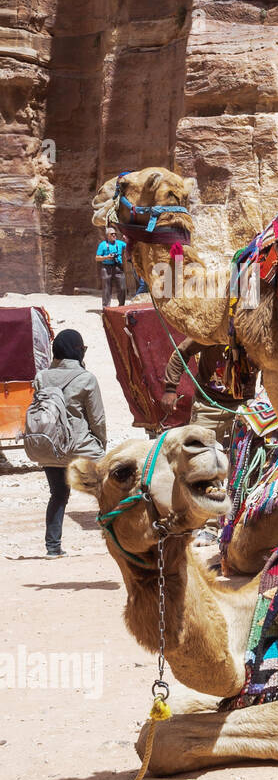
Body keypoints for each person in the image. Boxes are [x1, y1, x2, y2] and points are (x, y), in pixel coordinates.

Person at [37, 330, 106, 557]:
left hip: (50, 446)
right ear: (77, 350)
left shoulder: (42, 378)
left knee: (58, 494)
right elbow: (97, 418)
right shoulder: (86, 378)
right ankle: (119, 539)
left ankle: (53, 548)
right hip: (80, 447)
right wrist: (100, 446)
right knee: (109, 490)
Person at [162, 339, 251, 449]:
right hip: (208, 405)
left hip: (245, 404)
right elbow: (182, 351)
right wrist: (170, 388)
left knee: (254, 452)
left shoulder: (258, 332)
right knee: (198, 455)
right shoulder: (214, 329)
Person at [96, 226, 127, 307]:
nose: (114, 235)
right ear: (107, 235)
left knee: (122, 287)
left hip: (118, 267)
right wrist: (106, 257)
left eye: (115, 234)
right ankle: (106, 308)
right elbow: (97, 258)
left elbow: (128, 246)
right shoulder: (102, 245)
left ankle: (121, 306)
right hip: (106, 268)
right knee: (106, 288)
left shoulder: (120, 243)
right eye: (112, 234)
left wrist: (127, 239)